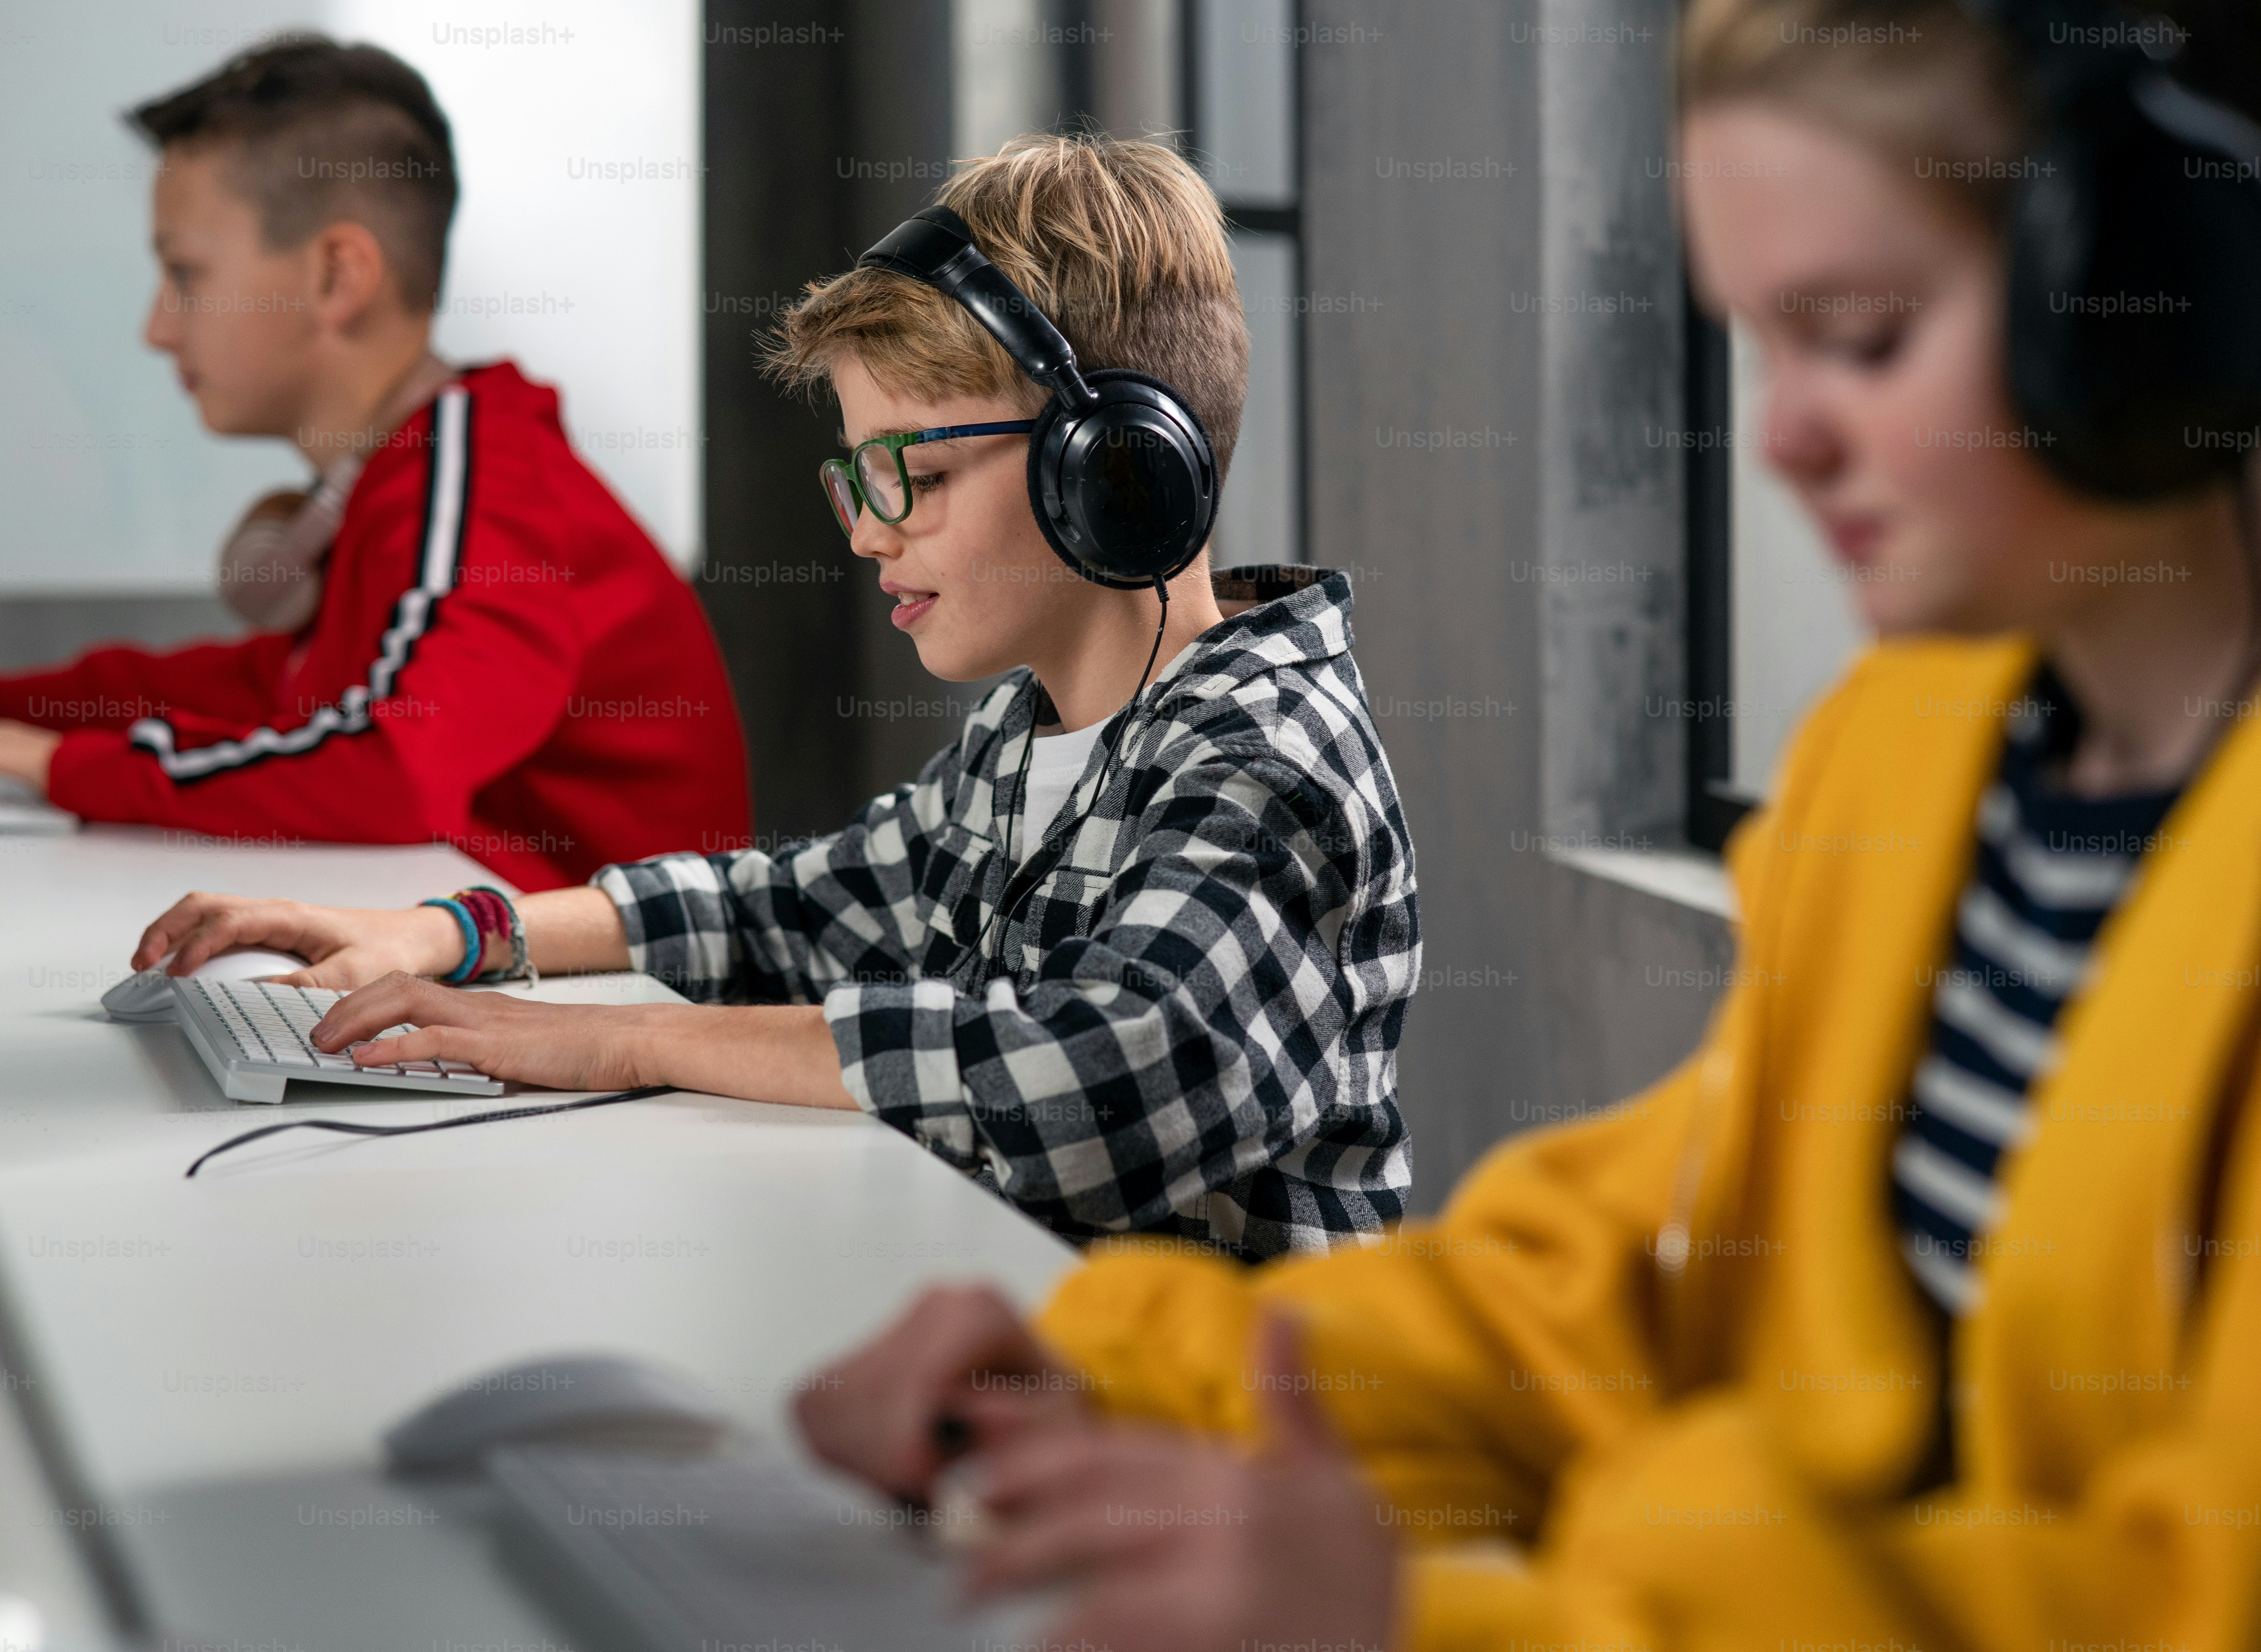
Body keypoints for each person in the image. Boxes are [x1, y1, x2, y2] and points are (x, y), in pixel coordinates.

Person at [788, 0, 2261, 1648]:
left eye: (1863, 335)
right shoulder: (1926, 749)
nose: (1786, 434)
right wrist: (1110, 1369)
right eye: (1762, 340)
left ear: (2165, 288)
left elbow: (2227, 1596)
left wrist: (1432, 1625)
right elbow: (1630, 1288)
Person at [131, 132, 1420, 1261]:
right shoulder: (1031, 734)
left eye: (907, 469)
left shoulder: (1268, 750)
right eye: (855, 478)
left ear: (1112, 469)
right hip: (1019, 1389)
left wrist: (624, 1043)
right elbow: (795, 904)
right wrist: (453, 933)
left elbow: (1109, 1083)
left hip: (1224, 1472)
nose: (868, 533)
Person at [0, 34, 750, 892]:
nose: (157, 328)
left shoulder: (477, 477)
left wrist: (69, 765)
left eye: (186, 274)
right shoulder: (409, 475)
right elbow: (271, 693)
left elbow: (393, 762)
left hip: (619, 1024)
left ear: (337, 276)